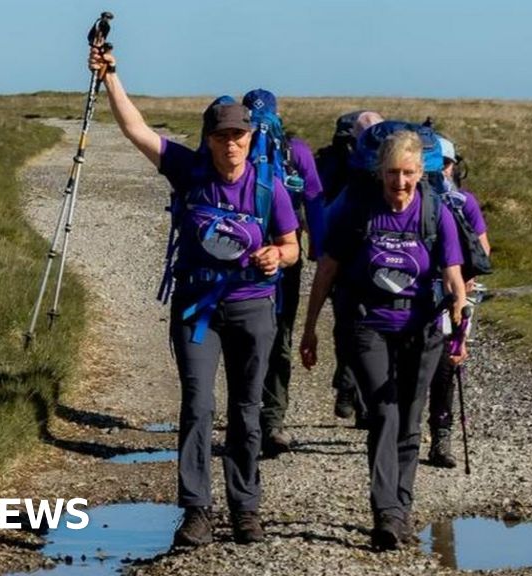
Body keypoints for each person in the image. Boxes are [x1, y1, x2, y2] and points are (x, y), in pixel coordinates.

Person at [89, 47, 300, 547]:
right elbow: (136, 130)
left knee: (247, 412)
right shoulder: (188, 170)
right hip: (196, 309)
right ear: (208, 139)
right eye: (222, 136)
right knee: (198, 407)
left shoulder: (269, 186)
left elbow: (293, 248)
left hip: (252, 307)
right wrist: (112, 77)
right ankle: (196, 513)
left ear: (251, 139)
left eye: (239, 137)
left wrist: (277, 255)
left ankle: (246, 510)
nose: (231, 146)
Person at [300, 130, 467, 550]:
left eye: (409, 173)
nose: (400, 182)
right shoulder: (359, 208)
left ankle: (401, 509)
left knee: (410, 420)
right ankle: (385, 514)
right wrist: (309, 328)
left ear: (420, 173)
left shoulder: (435, 211)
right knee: (384, 414)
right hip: (368, 324)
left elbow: (452, 273)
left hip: (420, 329)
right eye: (393, 172)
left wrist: (458, 317)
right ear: (380, 172)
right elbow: (326, 271)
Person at [240, 89, 324, 458]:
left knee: (242, 337)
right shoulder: (297, 151)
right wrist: (319, 250)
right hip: (286, 255)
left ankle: (248, 417)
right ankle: (272, 422)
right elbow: (316, 201)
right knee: (280, 336)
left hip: (241, 255)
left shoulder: (237, 142)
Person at [425, 136, 491, 469]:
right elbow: (483, 249)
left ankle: (435, 435)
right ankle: (440, 438)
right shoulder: (464, 200)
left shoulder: (456, 202)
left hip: (436, 290)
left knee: (443, 363)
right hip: (454, 291)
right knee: (448, 363)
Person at [316, 111, 385, 426]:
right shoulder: (356, 172)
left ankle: (351, 390)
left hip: (341, 256)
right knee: (358, 329)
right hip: (352, 258)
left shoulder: (337, 163)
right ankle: (355, 394)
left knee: (350, 327)